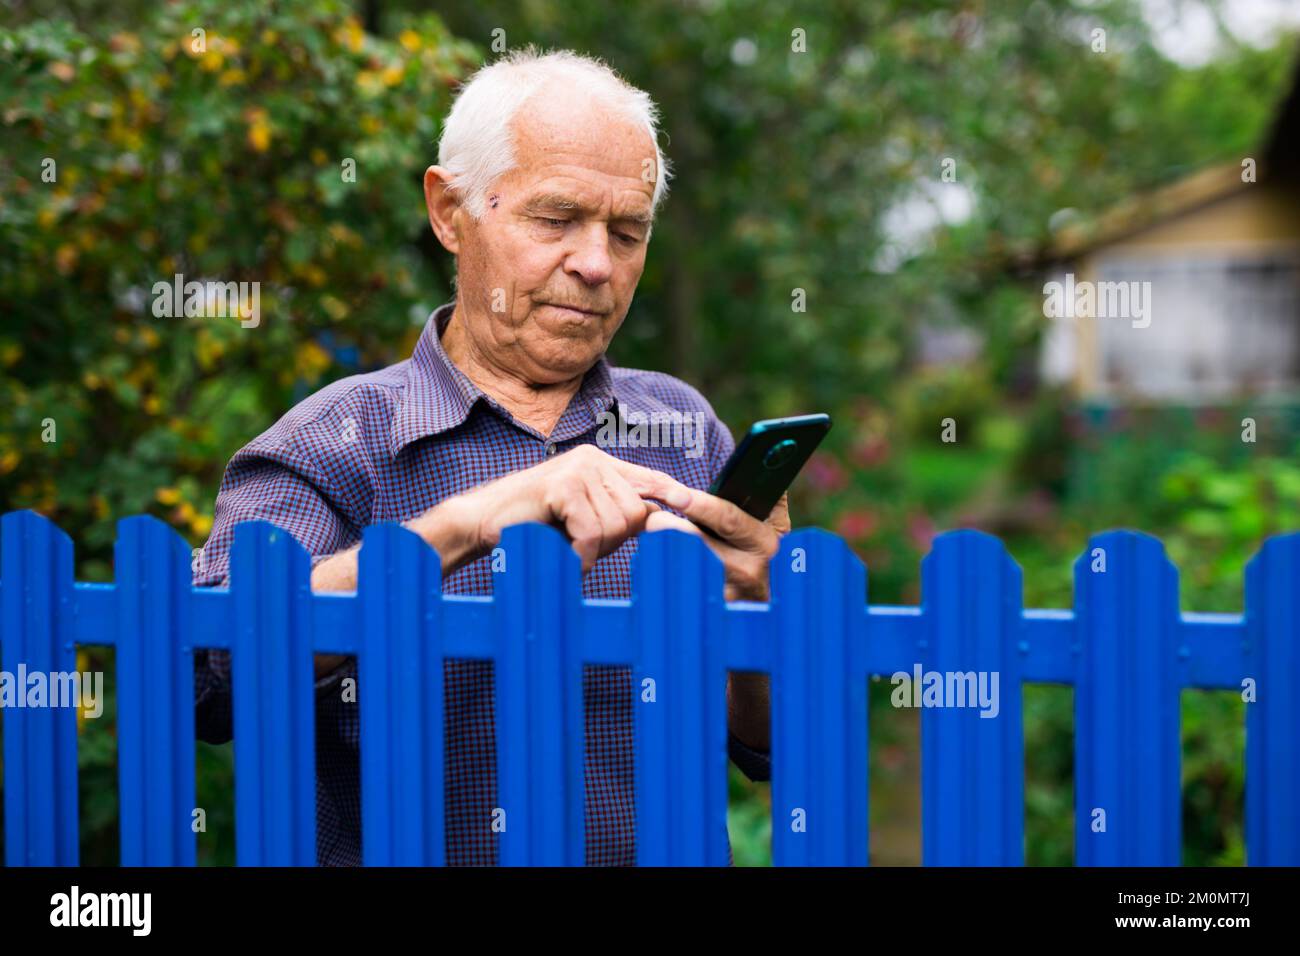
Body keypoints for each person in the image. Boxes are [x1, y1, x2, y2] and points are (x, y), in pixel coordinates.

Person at [193, 47, 784, 866]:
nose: (595, 265)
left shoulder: (682, 426)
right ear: (449, 210)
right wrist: (470, 521)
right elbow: (212, 672)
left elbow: (766, 747)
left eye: (627, 232)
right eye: (555, 219)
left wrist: (758, 614)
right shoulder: (333, 440)